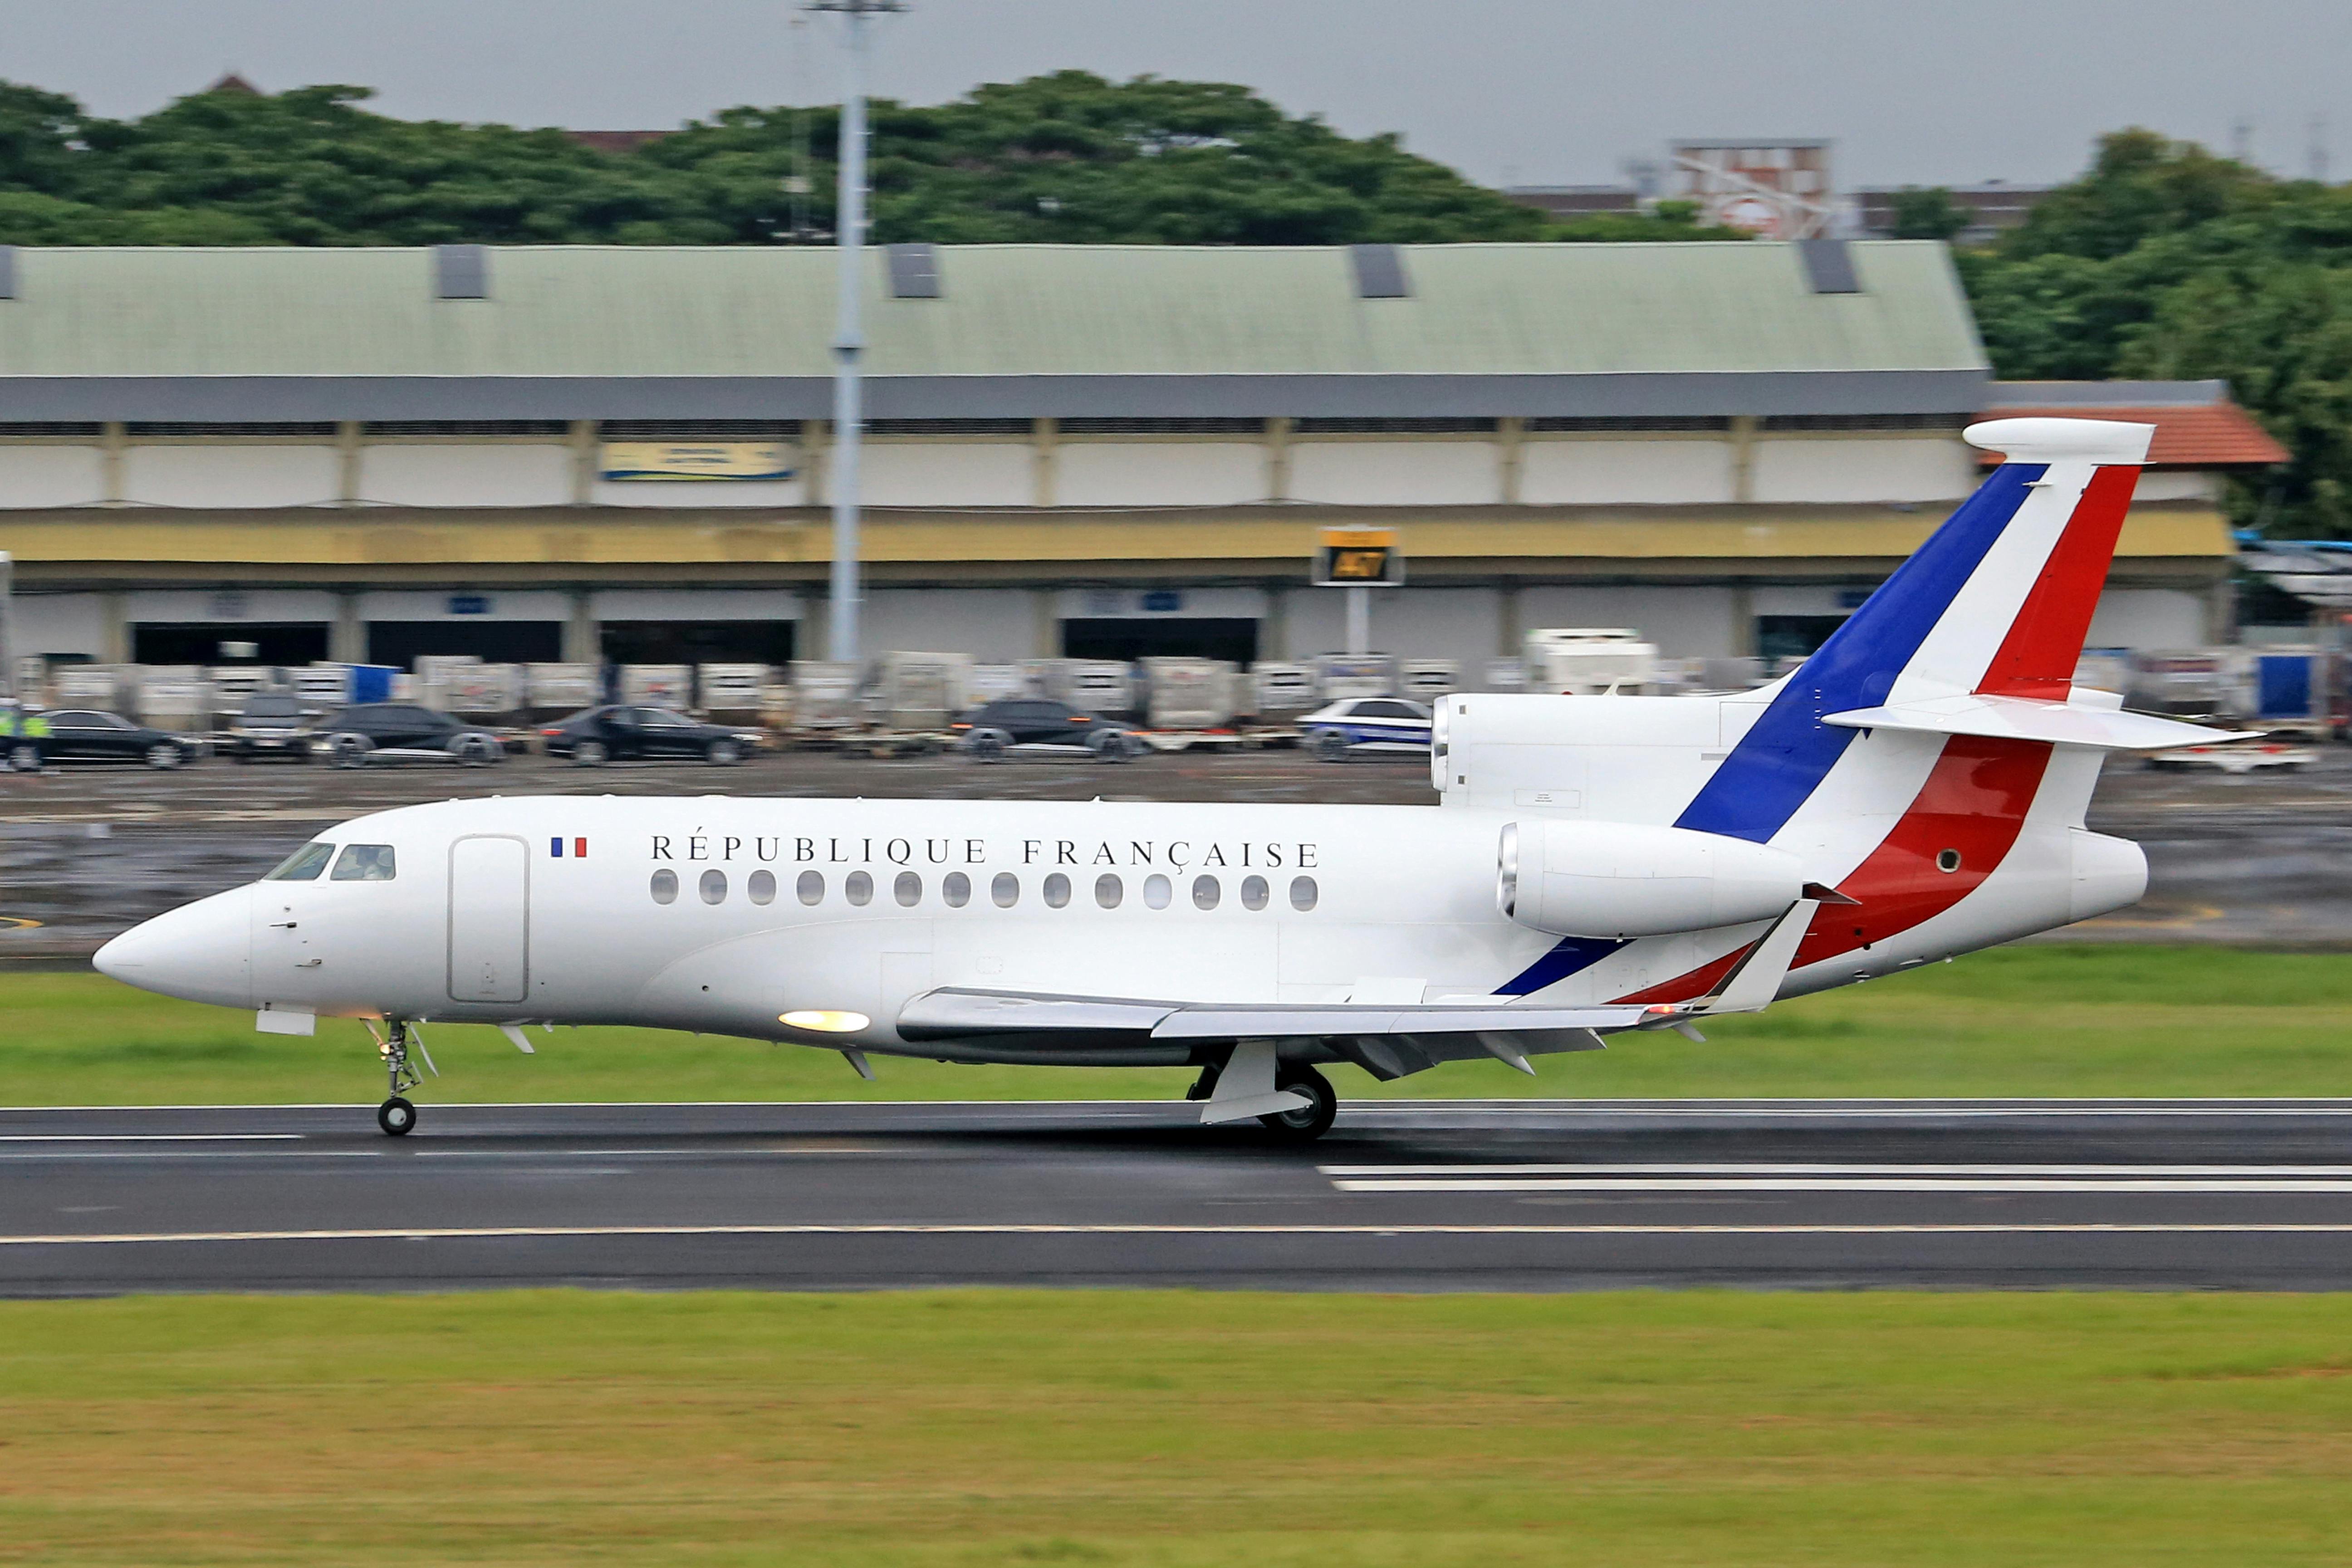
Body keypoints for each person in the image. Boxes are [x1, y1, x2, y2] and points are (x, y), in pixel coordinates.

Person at [0, 701, 50, 772]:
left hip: (16, 737)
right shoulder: (18, 718)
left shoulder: (13, 718)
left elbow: (20, 728)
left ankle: (12, 764)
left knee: (13, 752)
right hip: (17, 737)